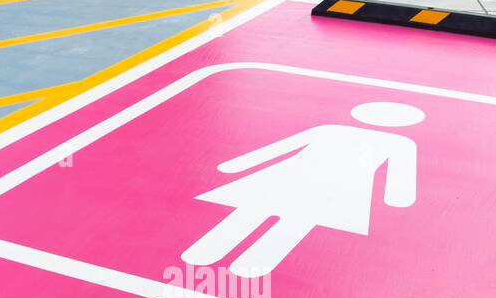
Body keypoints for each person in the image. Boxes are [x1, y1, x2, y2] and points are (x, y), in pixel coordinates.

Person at [182, 100, 425, 277]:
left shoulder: (333, 131)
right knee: (290, 219)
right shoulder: (397, 141)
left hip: (302, 178)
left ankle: (209, 253)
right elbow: (399, 179)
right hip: (338, 188)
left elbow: (281, 148)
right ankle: (248, 265)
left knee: (259, 209)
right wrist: (397, 198)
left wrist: (235, 166)